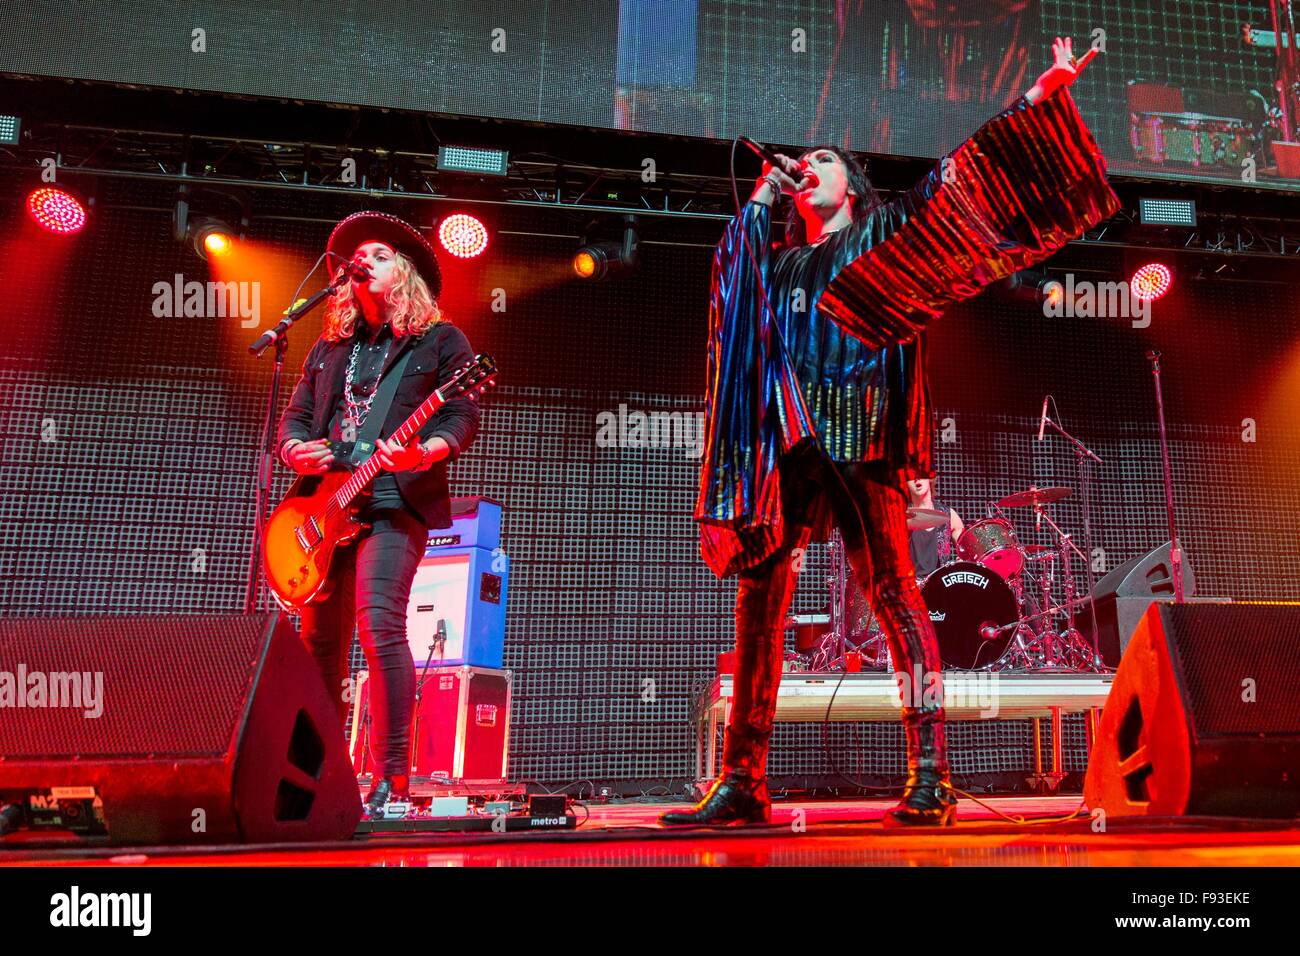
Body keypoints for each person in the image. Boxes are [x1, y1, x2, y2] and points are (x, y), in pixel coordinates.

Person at [664, 38, 1118, 827]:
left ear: (852, 186)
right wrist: (761, 202)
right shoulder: (771, 263)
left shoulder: (876, 241)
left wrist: (1037, 102)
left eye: (822, 160)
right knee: (759, 601)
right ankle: (743, 780)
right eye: (799, 160)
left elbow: (955, 190)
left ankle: (929, 775)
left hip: (856, 431)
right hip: (781, 447)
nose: (805, 166)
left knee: (895, 596)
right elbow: (729, 286)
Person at [276, 211, 481, 817]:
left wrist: (421, 451)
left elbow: (461, 419)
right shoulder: (327, 347)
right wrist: (294, 449)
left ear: (405, 274)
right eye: (357, 255)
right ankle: (315, 778)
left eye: (379, 253)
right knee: (317, 646)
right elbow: (293, 420)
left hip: (393, 501)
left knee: (380, 625)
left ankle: (393, 778)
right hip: (321, 507)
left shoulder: (442, 343)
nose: (363, 259)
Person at [907, 477, 964, 579]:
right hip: (912, 587)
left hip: (940, 585)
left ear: (930, 479)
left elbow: (967, 550)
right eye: (911, 476)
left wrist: (963, 560)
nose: (916, 479)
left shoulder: (948, 514)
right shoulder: (899, 516)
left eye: (920, 475)